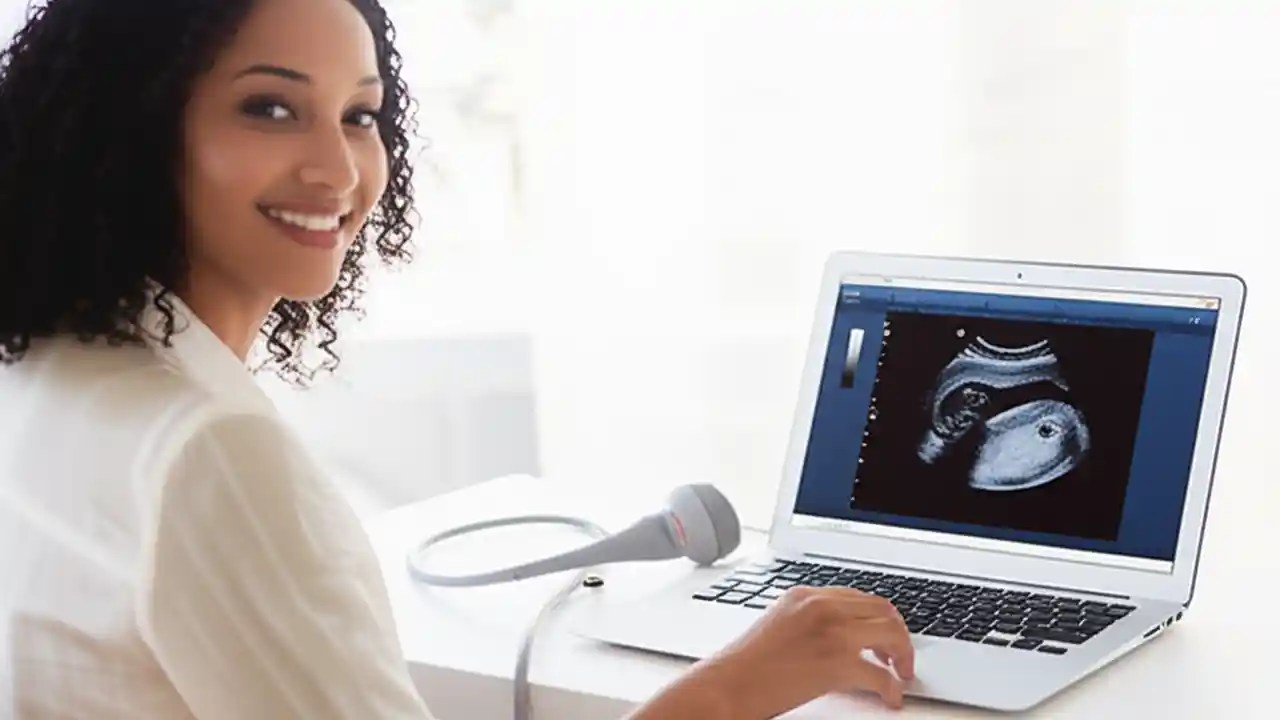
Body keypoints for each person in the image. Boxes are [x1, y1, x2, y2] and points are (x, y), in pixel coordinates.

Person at [0, 0, 915, 717]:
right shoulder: (205, 446)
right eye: (270, 107)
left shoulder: (49, 372)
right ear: (136, 127)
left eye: (360, 115)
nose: (339, 168)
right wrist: (741, 683)